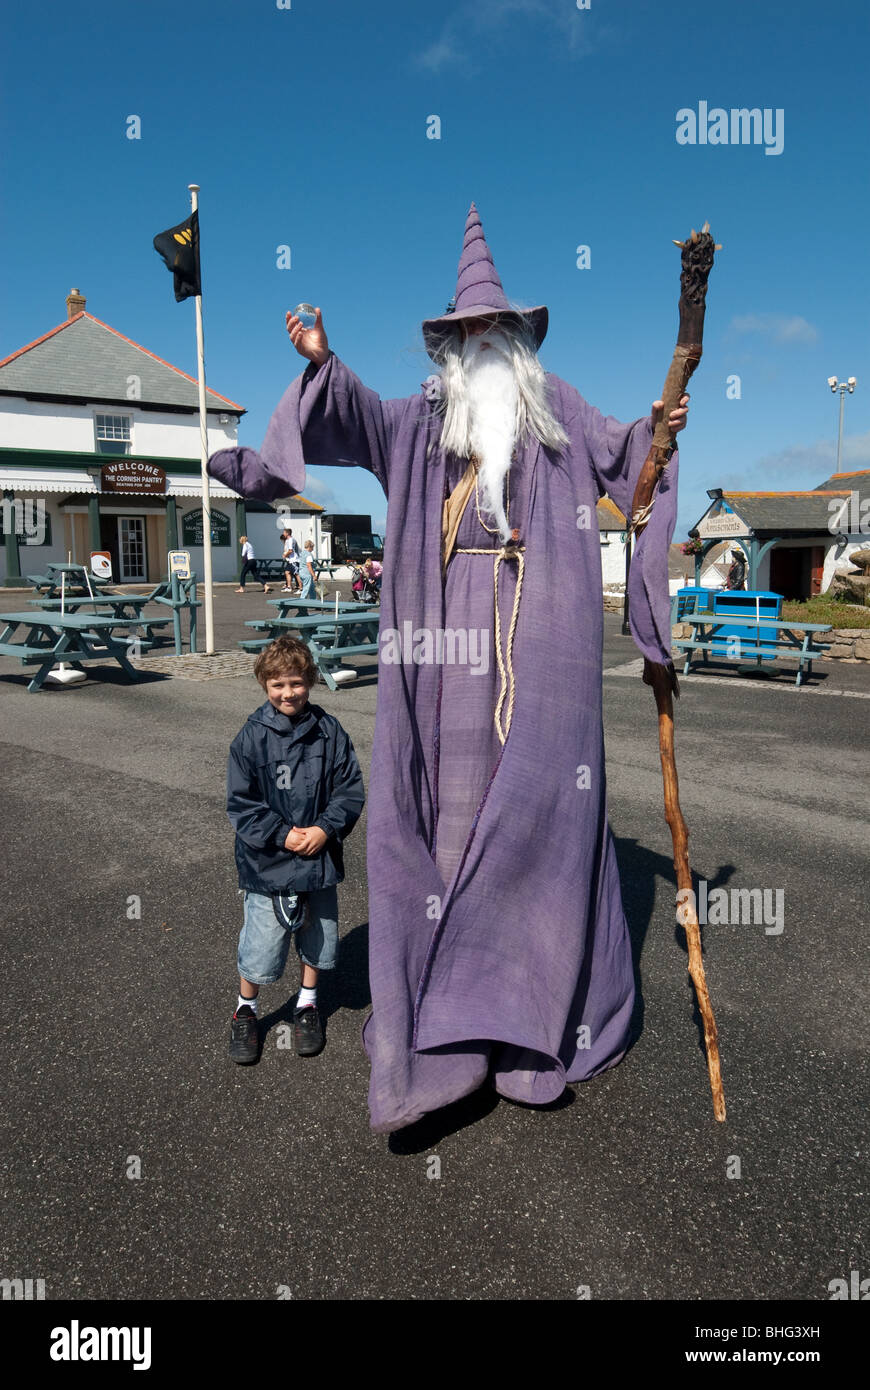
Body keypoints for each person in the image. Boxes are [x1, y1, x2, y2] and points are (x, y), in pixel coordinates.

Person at [208, 202, 689, 1134]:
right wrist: (320, 362)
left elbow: (633, 466)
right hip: (443, 659)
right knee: (450, 821)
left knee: (546, 817)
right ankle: (446, 1019)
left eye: (498, 329)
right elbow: (348, 419)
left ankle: (529, 1022)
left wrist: (658, 430)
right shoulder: (422, 421)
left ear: (518, 338)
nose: (485, 343)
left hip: (540, 648)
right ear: (451, 345)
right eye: (469, 332)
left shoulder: (558, 415)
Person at [226, 635, 365, 1062]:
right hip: (268, 862)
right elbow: (241, 804)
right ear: (265, 687)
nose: (289, 693)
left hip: (318, 859)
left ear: (310, 681)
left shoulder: (330, 732)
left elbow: (350, 790)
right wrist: (282, 834)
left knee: (318, 938)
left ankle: (308, 1003)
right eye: (278, 685)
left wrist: (325, 828)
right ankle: (245, 1011)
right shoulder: (250, 738)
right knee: (261, 945)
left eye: (297, 683)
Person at [282, 528, 302, 593]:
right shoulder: (288, 540)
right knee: (287, 572)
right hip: (290, 560)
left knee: (296, 574)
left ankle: (301, 588)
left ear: (287, 533)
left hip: (294, 560)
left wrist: (285, 555)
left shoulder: (291, 540)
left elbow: (291, 550)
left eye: (284, 532)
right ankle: (289, 587)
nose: (283, 534)